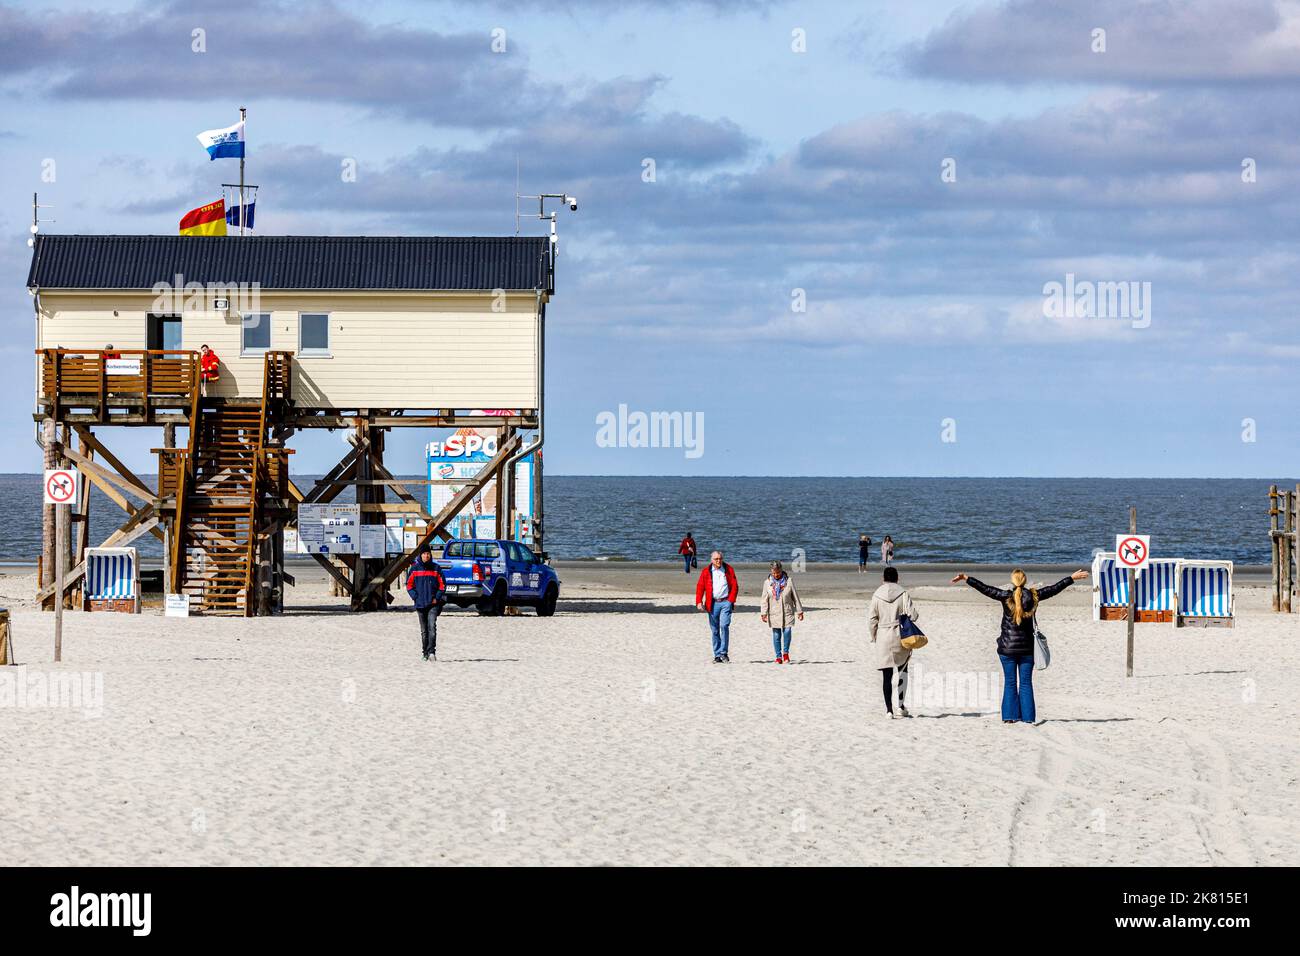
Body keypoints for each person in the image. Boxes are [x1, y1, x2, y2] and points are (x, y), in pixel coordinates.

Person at [951, 567, 1089, 724]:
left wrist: (967, 578)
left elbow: (985, 589)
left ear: (1012, 581)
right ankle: (1028, 718)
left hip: (1007, 649)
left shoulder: (1005, 596)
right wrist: (1071, 578)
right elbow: (1053, 589)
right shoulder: (1034, 596)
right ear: (1024, 581)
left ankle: (1010, 717)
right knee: (1025, 683)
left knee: (1010, 682)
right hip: (1027, 649)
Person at [868, 566, 919, 718]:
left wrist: (874, 636)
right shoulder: (903, 593)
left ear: (883, 579)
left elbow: (872, 620)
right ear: (897, 579)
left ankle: (889, 710)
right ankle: (901, 706)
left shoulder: (877, 595)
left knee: (886, 676)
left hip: (883, 636)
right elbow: (914, 615)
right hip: (900, 636)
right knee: (903, 671)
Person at [695, 550, 738, 663]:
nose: (718, 561)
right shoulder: (706, 571)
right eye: (716, 559)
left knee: (724, 626)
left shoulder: (728, 569)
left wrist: (730, 601)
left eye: (720, 558)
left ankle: (724, 653)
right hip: (712, 603)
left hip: (725, 603)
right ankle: (717, 655)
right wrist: (699, 601)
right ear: (712, 560)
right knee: (714, 630)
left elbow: (734, 586)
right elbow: (700, 586)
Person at [405, 545, 447, 661]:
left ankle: (432, 652)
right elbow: (409, 585)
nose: (426, 555)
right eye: (424, 554)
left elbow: (442, 585)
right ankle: (425, 653)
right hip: (420, 604)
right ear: (420, 555)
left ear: (430, 555)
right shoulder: (414, 569)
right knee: (424, 631)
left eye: (428, 553)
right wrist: (415, 597)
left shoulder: (436, 568)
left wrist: (437, 598)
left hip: (433, 604)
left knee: (432, 628)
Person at [760, 560, 804, 664]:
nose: (776, 575)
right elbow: (764, 599)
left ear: (781, 570)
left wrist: (799, 611)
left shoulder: (789, 581)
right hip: (774, 612)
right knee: (776, 634)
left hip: (787, 611)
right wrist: (763, 613)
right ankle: (778, 656)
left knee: (787, 631)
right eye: (774, 573)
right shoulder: (767, 583)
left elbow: (795, 597)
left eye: (778, 573)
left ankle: (786, 653)